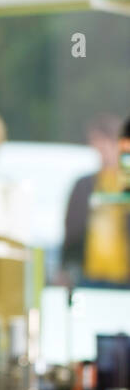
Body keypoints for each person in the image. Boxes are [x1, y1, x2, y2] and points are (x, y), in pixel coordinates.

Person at [61, 113, 130, 285]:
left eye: (108, 142)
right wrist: (65, 268)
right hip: (88, 276)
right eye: (98, 143)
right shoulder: (83, 185)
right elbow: (71, 230)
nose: (103, 149)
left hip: (124, 277)